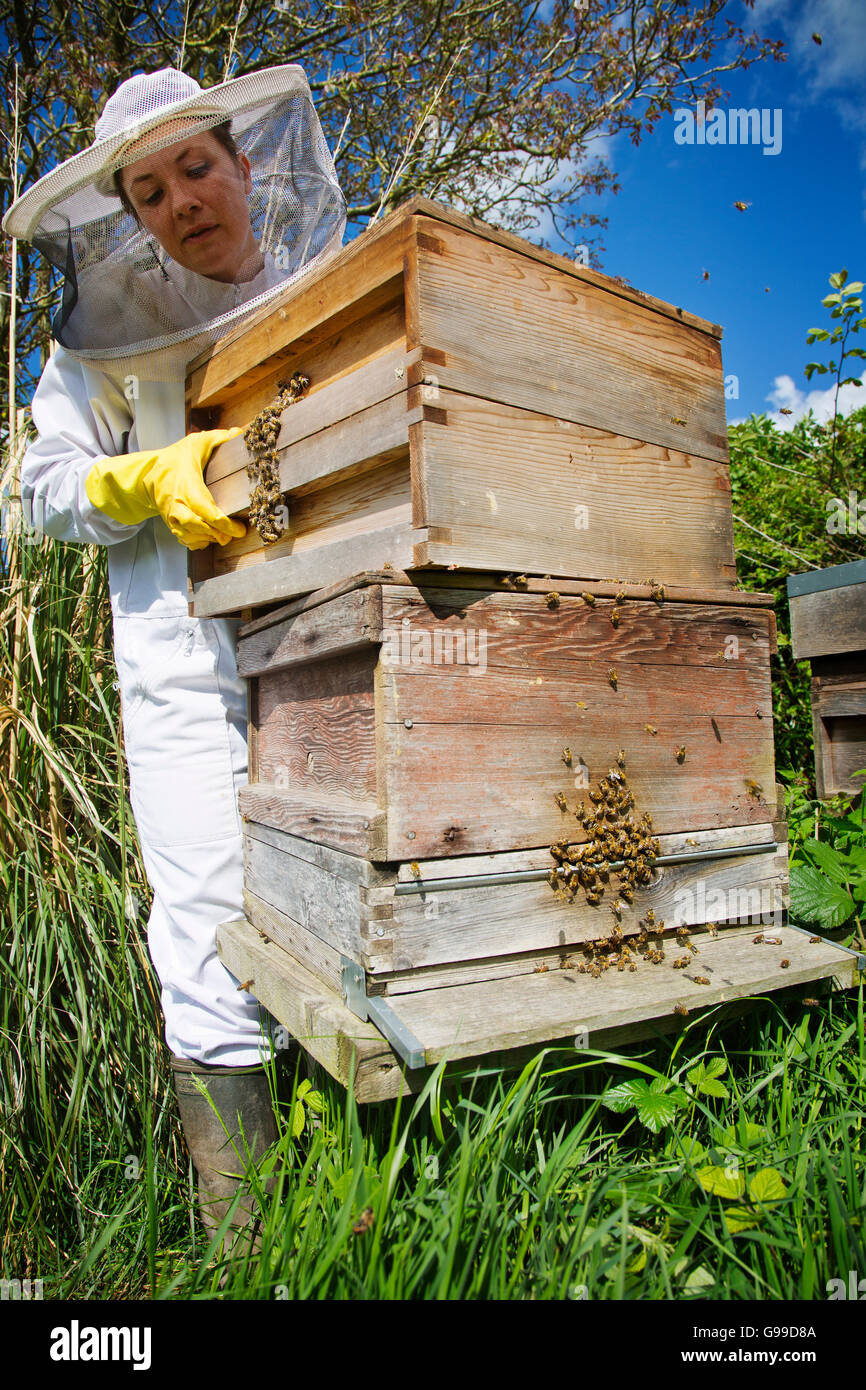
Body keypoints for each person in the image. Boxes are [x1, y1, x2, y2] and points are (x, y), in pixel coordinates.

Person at [3, 64, 346, 1249]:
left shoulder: (322, 284)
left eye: (196, 168)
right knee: (201, 918)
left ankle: (365, 1180)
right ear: (131, 213)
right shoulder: (101, 339)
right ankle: (244, 1240)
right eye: (148, 191)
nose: (181, 202)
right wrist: (139, 480)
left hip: (323, 637)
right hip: (181, 664)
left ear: (247, 164)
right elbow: (33, 499)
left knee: (345, 885)